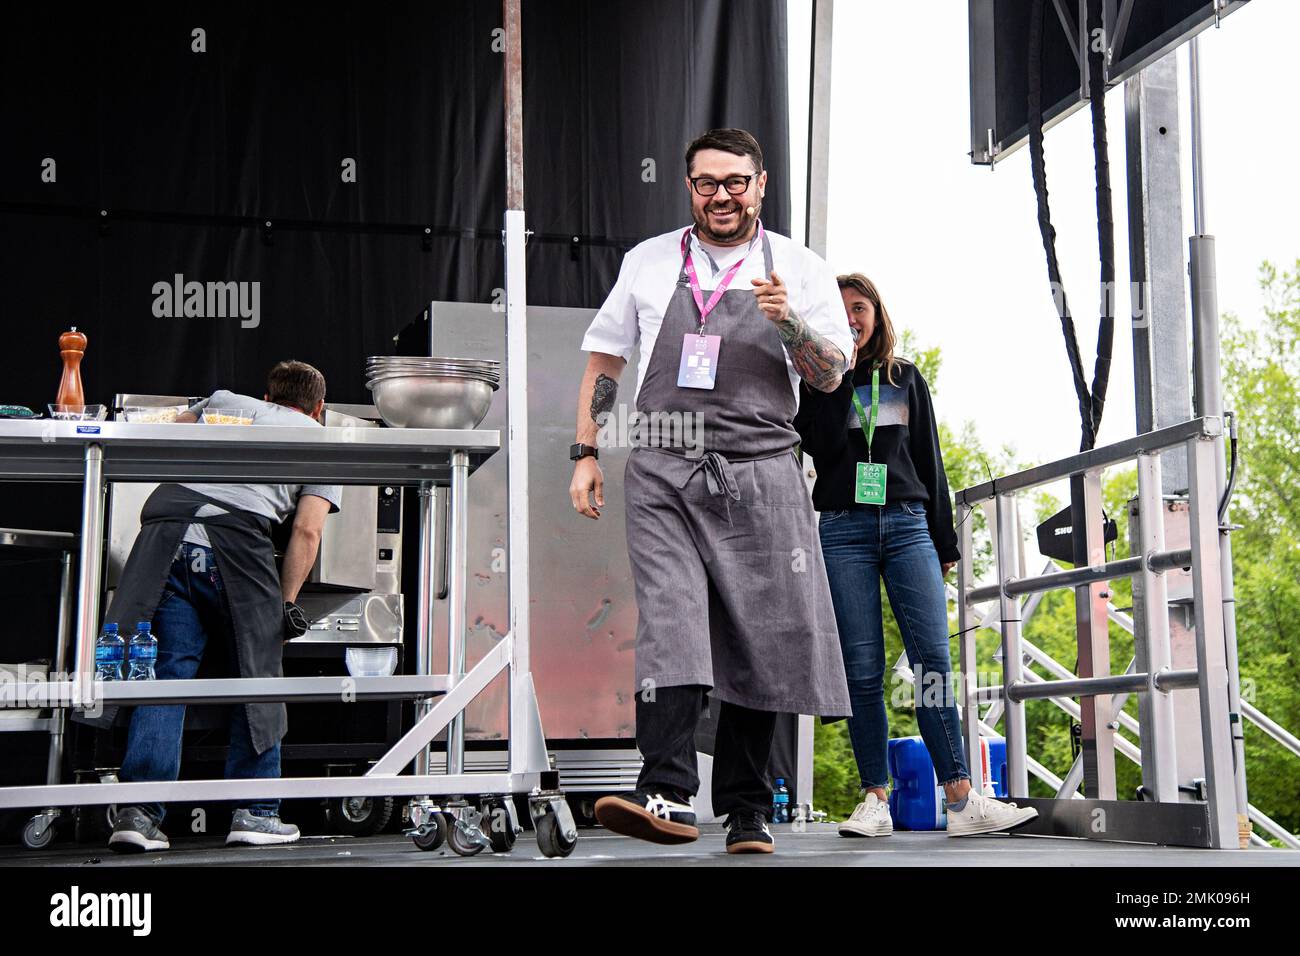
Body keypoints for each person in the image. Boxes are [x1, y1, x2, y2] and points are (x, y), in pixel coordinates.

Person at [570, 128, 854, 854]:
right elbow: (606, 360)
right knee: (672, 620)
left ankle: (747, 810)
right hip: (663, 466)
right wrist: (586, 451)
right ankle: (664, 787)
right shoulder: (649, 261)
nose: (720, 195)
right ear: (688, 186)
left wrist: (788, 319)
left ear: (760, 184)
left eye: (735, 181)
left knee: (762, 634)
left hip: (761, 470)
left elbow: (827, 376)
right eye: (706, 183)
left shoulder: (801, 267)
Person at [793, 274, 1038, 837]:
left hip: (907, 527)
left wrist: (945, 541)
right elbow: (824, 448)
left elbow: (930, 460)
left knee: (932, 662)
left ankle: (961, 799)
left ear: (877, 315)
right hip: (843, 529)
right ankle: (874, 800)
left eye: (860, 309)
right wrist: (834, 372)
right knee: (861, 669)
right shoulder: (813, 385)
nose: (851, 318)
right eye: (840, 310)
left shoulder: (906, 379)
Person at [105, 360, 342, 853]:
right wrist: (287, 605)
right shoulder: (322, 438)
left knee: (164, 674)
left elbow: (157, 426)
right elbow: (306, 531)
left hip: (165, 534)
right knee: (257, 676)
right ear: (319, 407)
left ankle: (139, 815)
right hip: (235, 542)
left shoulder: (225, 403)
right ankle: (255, 812)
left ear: (268, 395)